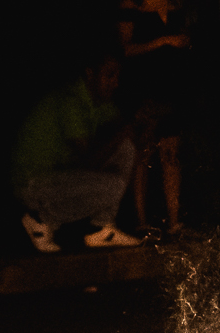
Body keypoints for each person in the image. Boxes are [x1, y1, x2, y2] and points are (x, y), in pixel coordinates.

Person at [14, 49, 143, 252]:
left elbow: (128, 133)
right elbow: (88, 161)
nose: (116, 83)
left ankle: (103, 229)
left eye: (118, 76)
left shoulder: (99, 103)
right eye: (109, 75)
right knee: (112, 184)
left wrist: (142, 123)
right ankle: (38, 219)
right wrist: (122, 133)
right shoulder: (71, 101)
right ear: (90, 74)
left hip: (58, 176)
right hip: (31, 183)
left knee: (125, 150)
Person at [116, 0, 194, 233]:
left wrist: (181, 43)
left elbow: (183, 38)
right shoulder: (132, 3)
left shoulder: (174, 0)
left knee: (171, 154)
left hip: (171, 85)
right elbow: (124, 49)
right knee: (143, 153)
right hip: (142, 87)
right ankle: (141, 222)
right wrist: (161, 41)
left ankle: (174, 221)